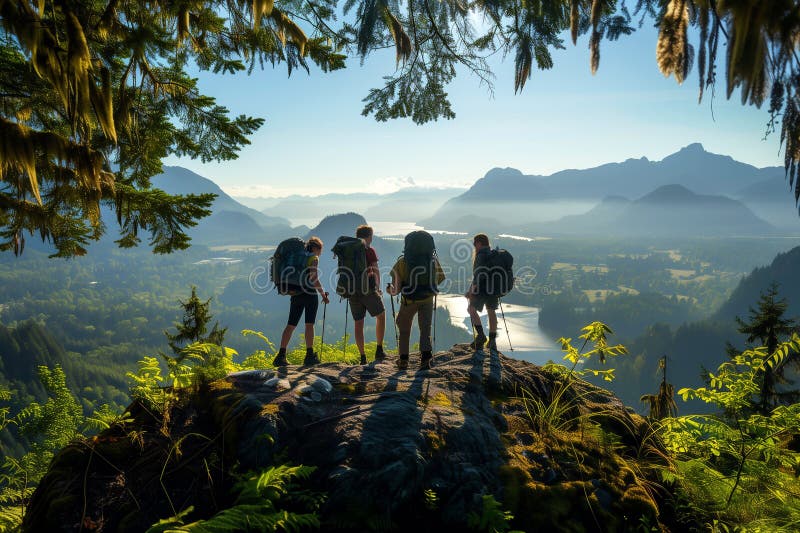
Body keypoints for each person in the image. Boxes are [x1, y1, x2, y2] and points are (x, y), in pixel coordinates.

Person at [388, 231, 445, 370]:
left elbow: (395, 290)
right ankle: (425, 359)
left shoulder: (401, 263)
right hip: (427, 299)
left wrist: (389, 290)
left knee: (404, 329)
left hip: (409, 301)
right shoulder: (433, 261)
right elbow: (440, 279)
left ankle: (403, 361)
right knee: (425, 328)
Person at [273, 236, 329, 366]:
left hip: (296, 294)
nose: (320, 253)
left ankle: (280, 356)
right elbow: (314, 278)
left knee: (291, 325)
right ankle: (309, 356)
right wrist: (323, 295)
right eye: (320, 249)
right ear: (316, 248)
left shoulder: (298, 257)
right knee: (309, 325)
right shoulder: (313, 258)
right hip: (309, 294)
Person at [350, 225, 387, 365]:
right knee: (381, 315)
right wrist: (378, 287)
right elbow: (375, 270)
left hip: (352, 291)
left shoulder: (350, 250)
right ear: (369, 236)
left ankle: (363, 357)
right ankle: (379, 349)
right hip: (367, 290)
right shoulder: (369, 250)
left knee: (358, 323)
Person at [465, 233, 498, 352]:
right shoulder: (493, 254)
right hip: (494, 289)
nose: (474, 245)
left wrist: (470, 291)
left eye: (475, 243)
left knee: (471, 309)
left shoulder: (480, 256)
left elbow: (477, 276)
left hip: (482, 289)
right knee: (491, 312)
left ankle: (481, 336)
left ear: (479, 243)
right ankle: (492, 340)